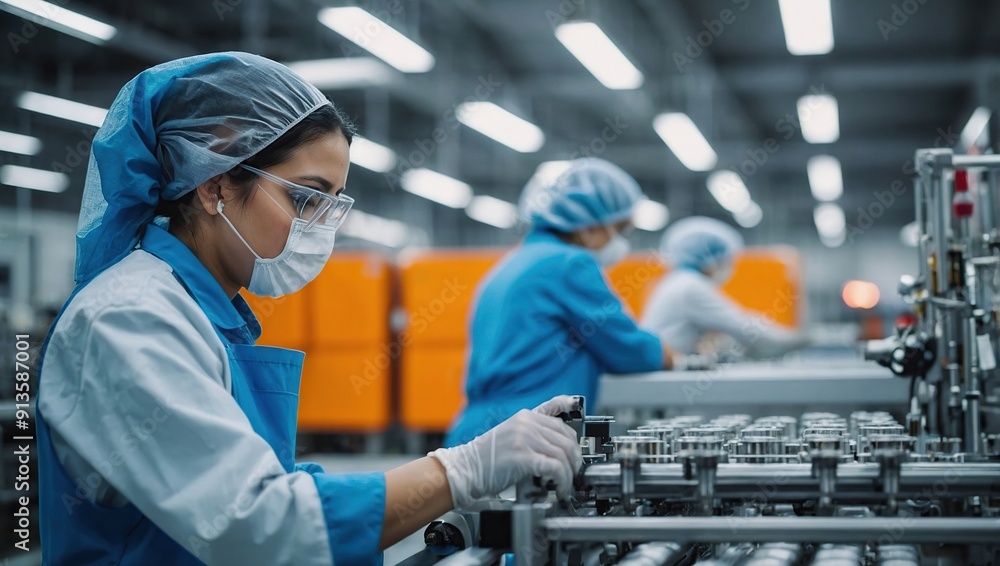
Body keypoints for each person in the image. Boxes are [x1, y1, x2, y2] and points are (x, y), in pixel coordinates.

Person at [36, 52, 581, 566]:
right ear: (216, 185)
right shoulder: (129, 319)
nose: (318, 229)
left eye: (331, 205)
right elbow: (260, 522)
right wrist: (461, 470)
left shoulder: (200, 311)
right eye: (304, 197)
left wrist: (442, 475)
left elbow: (274, 484)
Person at [446, 158, 680, 447]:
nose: (621, 241)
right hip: (524, 438)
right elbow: (628, 348)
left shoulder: (512, 264)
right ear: (590, 229)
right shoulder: (569, 264)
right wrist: (670, 355)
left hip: (479, 432)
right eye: (620, 229)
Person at [641, 216, 808, 359]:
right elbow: (744, 327)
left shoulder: (678, 281)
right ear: (709, 260)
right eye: (725, 260)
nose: (728, 267)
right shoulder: (690, 287)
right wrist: (798, 339)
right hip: (664, 372)